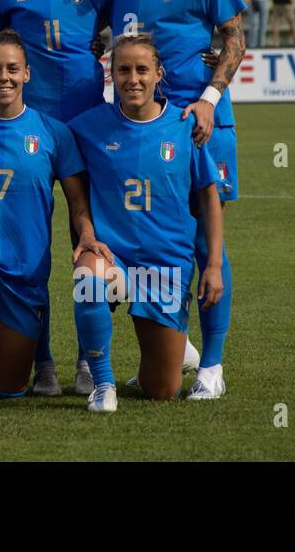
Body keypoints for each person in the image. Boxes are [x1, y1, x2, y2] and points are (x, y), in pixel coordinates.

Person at [108, 0, 246, 400]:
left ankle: (211, 365)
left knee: (204, 242)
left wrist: (209, 97)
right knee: (148, 240)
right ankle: (174, 347)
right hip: (143, 123)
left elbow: (234, 38)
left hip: (200, 121)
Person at [0, 0, 111, 396]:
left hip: (87, 127)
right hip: (27, 130)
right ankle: (44, 361)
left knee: (89, 237)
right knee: (28, 248)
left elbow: (127, 29)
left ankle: (89, 359)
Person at [0, 30, 97, 417]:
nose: (3, 77)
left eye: (12, 69)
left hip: (24, 275)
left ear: (28, 73)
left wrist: (88, 234)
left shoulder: (54, 132)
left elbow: (78, 202)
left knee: (8, 390)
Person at [66, 35, 223, 412]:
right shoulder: (86, 127)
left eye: (141, 70)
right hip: (113, 257)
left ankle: (173, 350)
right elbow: (31, 128)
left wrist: (214, 264)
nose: (132, 79)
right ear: (111, 74)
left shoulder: (185, 124)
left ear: (158, 74)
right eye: (123, 69)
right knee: (87, 278)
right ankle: (102, 384)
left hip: (165, 265)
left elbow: (208, 198)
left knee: (162, 390)